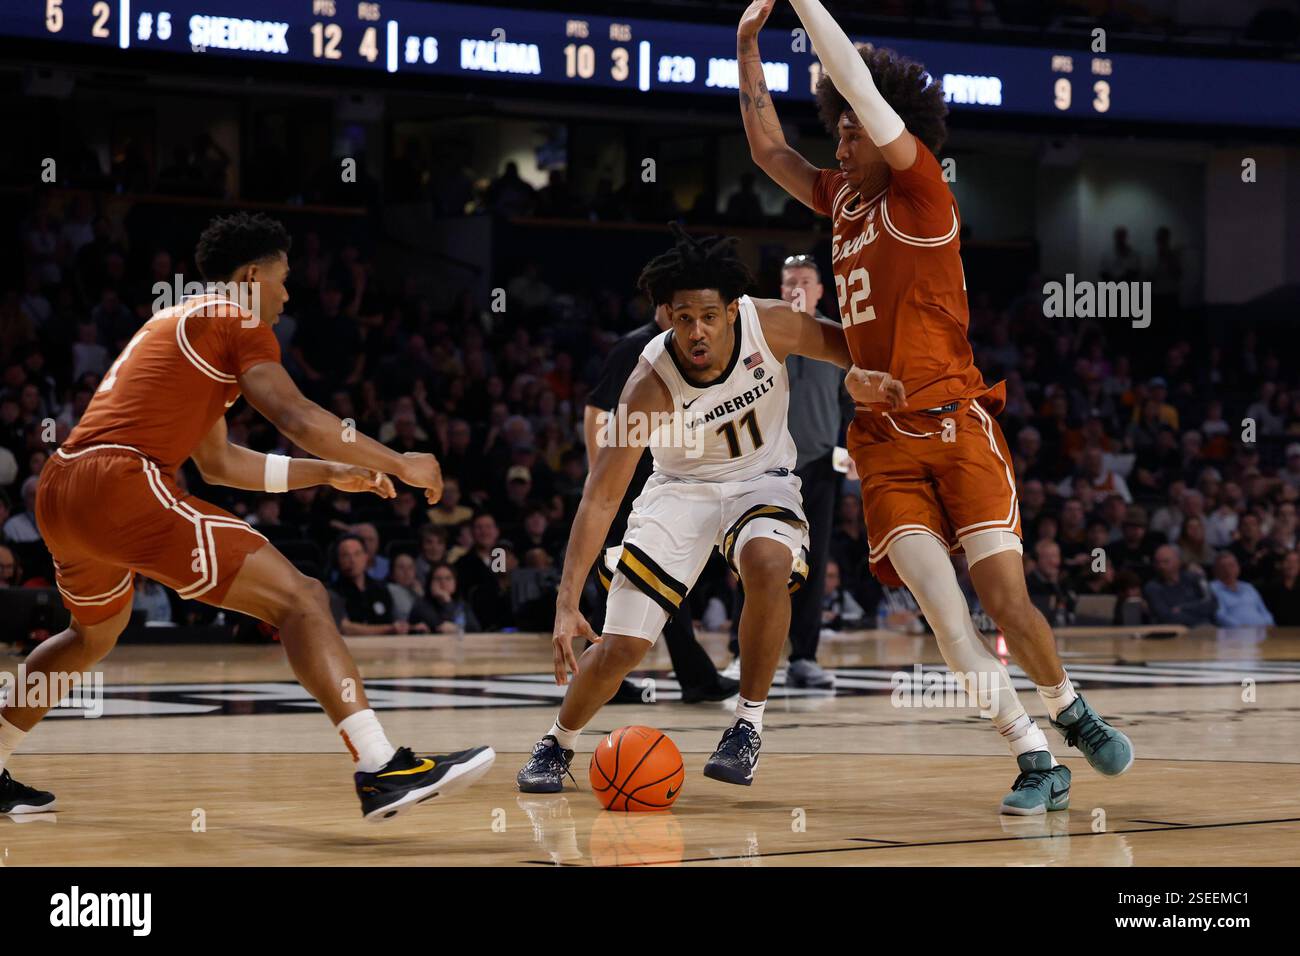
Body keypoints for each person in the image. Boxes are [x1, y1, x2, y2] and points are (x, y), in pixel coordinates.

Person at [737, 0, 1134, 814]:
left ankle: (1072, 710)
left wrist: (807, 9)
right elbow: (769, 147)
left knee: (1004, 601)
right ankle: (1032, 757)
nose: (840, 146)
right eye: (838, 133)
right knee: (944, 616)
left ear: (888, 133)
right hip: (883, 443)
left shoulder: (920, 191)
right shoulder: (841, 200)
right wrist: (746, 43)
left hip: (957, 425)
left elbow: (854, 81)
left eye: (852, 134)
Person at [3, 212, 492, 821]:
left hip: (61, 488)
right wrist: (400, 460)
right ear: (252, 275)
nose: (288, 295)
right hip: (120, 482)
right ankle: (380, 766)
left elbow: (217, 463)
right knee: (303, 598)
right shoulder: (237, 319)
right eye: (283, 280)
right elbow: (297, 416)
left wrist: (328, 472)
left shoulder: (180, 322)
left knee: (90, 635)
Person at [516, 223, 900, 792]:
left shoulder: (769, 323)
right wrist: (566, 601)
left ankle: (747, 723)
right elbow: (601, 496)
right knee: (622, 647)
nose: (698, 331)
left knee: (768, 563)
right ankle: (558, 741)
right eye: (685, 317)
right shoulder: (648, 383)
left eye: (710, 316)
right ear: (667, 316)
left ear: (731, 310)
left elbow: (851, 349)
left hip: (760, 479)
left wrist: (864, 378)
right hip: (679, 490)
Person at [582, 294, 739, 705]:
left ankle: (683, 675)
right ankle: (688, 676)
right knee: (633, 577)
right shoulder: (637, 347)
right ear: (666, 307)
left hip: (665, 480)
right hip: (627, 485)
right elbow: (597, 411)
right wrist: (600, 476)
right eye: (679, 309)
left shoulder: (692, 350)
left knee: (650, 580)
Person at [724, 255, 849, 689]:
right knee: (753, 558)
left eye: (805, 281)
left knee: (811, 562)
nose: (796, 287)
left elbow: (853, 400)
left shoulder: (838, 338)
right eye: (789, 281)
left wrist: (847, 451)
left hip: (820, 466)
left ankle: (804, 658)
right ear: (780, 290)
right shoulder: (760, 336)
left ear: (819, 291)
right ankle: (742, 656)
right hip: (765, 468)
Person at [1143, 545, 1217, 627]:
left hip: (1204, 628)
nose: (1161, 566)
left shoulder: (1193, 578)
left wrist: (1182, 608)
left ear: (1178, 562)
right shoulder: (1152, 588)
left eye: (1165, 562)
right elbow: (1166, 617)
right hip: (1174, 633)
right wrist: (1200, 619)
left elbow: (1212, 604)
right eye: (1157, 562)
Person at [1208, 552, 1274, 628]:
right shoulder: (1213, 588)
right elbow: (1220, 616)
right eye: (1223, 567)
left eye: (1231, 566)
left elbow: (1264, 610)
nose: (1228, 570)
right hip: (1235, 633)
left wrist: (1269, 623)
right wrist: (1241, 627)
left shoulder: (1248, 587)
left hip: (1263, 631)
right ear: (1216, 570)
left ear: (1238, 567)